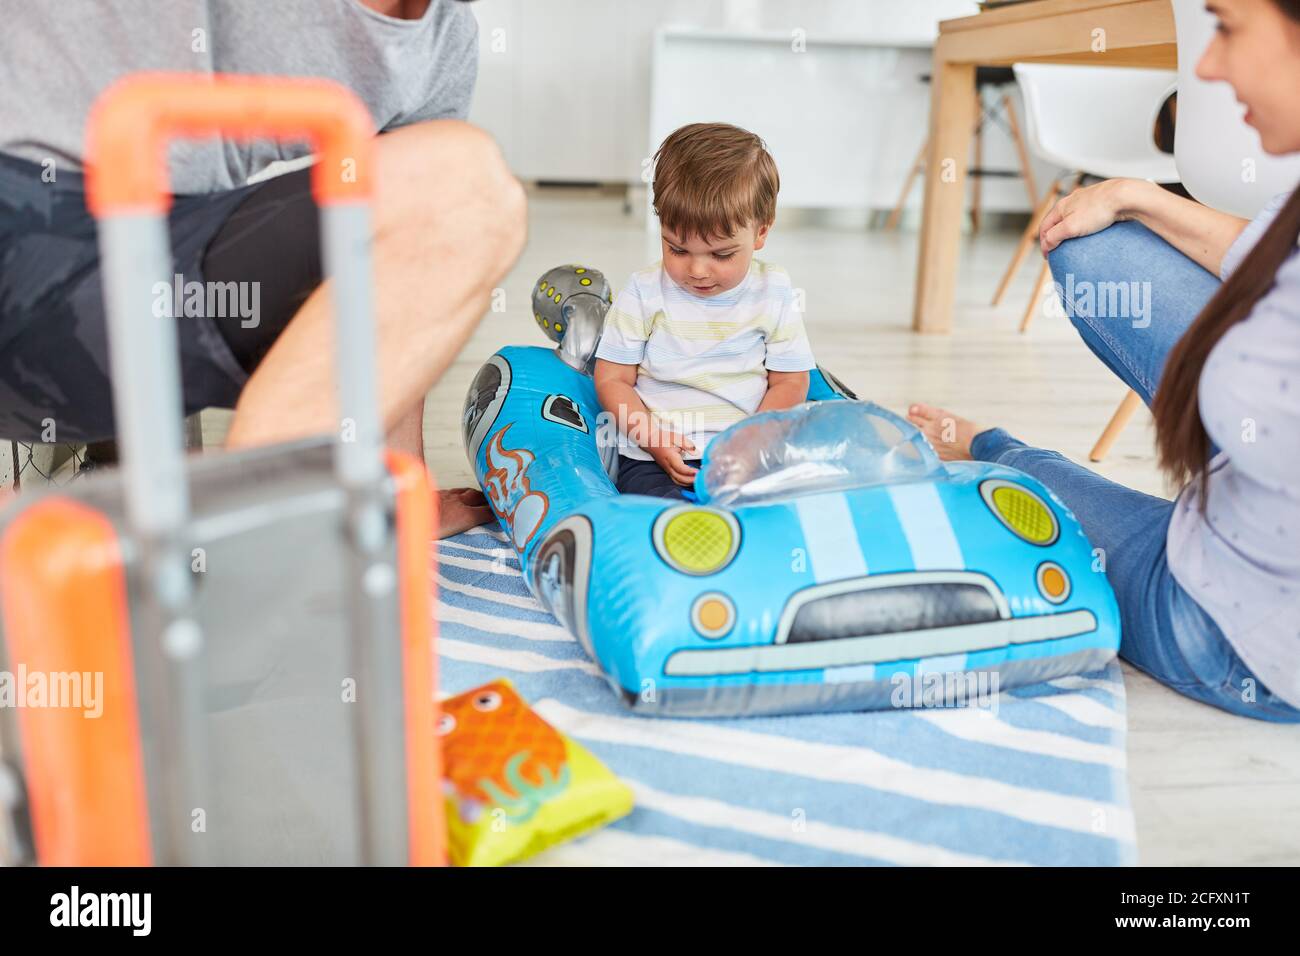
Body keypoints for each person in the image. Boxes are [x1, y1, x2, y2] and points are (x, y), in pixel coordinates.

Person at [909, 0, 1300, 720]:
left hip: (1237, 630)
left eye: (1228, 27)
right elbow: (1268, 251)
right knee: (1096, 247)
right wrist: (1138, 195)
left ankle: (993, 450)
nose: (1205, 66)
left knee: (1012, 483)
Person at [0, 0, 522, 536]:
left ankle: (239, 533)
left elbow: (408, 281)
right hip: (24, 225)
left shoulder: (444, 40)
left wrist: (401, 491)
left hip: (143, 292)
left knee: (461, 189)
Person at [593, 123, 816, 499]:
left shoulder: (773, 290)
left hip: (747, 457)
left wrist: (753, 440)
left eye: (721, 254)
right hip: (657, 459)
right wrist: (651, 438)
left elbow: (790, 382)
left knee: (787, 505)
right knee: (662, 521)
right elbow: (613, 379)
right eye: (677, 249)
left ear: (761, 232)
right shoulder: (644, 292)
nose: (696, 271)